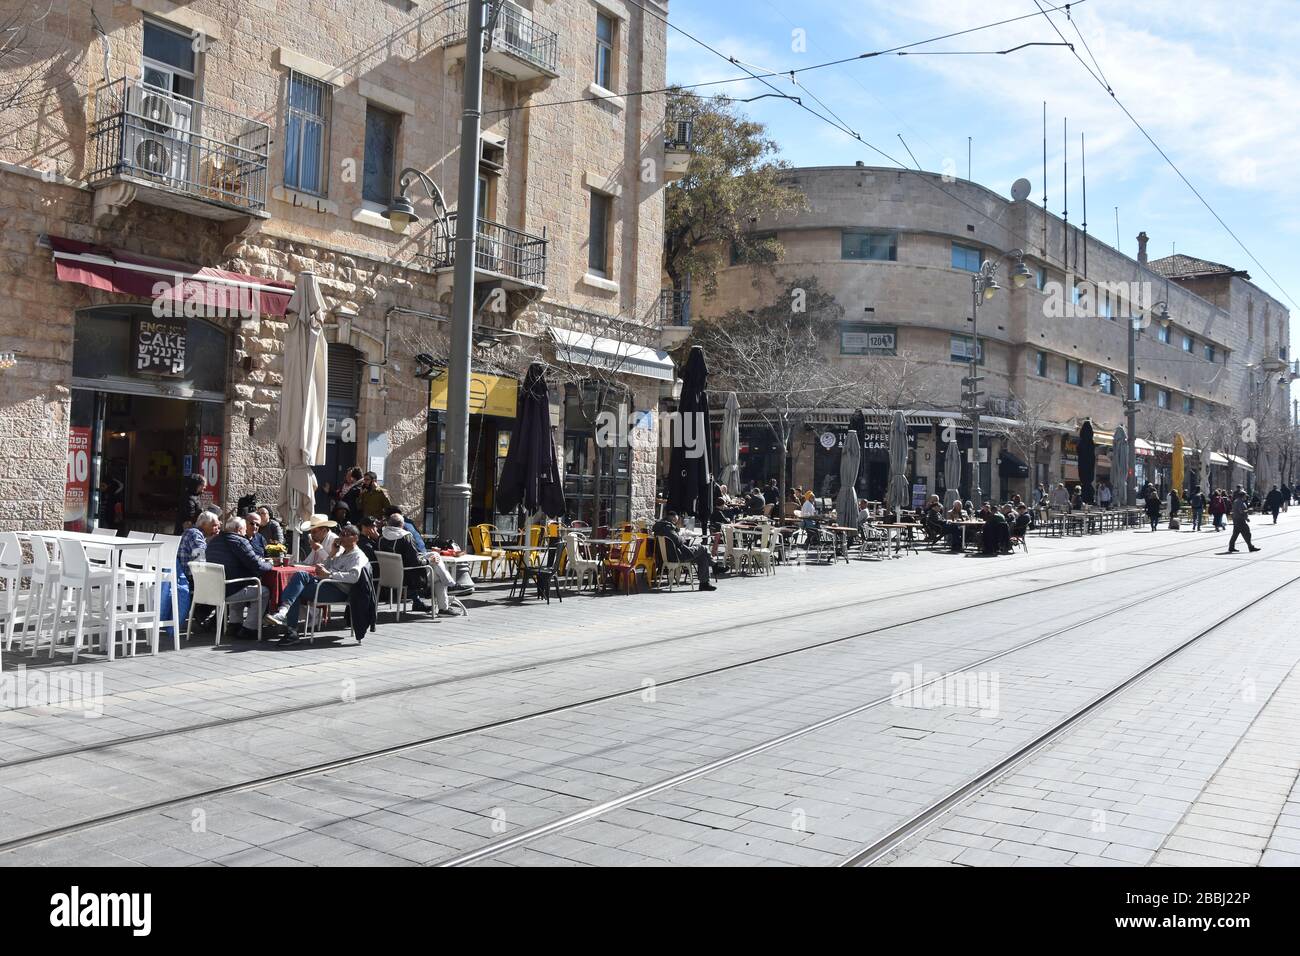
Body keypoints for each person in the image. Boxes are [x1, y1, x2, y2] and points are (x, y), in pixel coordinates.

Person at [265, 524, 370, 644]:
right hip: (327, 584)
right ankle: (285, 616)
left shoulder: (357, 556)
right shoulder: (342, 553)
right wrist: (332, 554)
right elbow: (327, 567)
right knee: (299, 578)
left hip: (340, 591)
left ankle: (289, 625)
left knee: (295, 590)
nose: (341, 537)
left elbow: (353, 577)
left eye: (345, 535)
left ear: (355, 538)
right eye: (341, 534)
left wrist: (329, 575)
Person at [203, 515, 272, 639]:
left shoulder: (213, 541)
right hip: (229, 590)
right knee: (264, 591)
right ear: (239, 529)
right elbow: (257, 565)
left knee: (239, 583)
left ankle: (234, 624)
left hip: (213, 589)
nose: (245, 532)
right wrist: (270, 565)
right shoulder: (240, 541)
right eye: (245, 529)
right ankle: (250, 628)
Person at [378, 512, 459, 615]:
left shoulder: (381, 537)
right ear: (402, 525)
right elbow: (415, 562)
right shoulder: (405, 537)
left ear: (389, 524)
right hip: (409, 577)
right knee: (438, 578)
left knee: (434, 554)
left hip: (389, 576)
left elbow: (406, 556)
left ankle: (448, 583)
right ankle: (444, 606)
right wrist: (429, 561)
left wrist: (426, 557)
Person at [652, 511, 716, 591]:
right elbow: (678, 541)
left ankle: (704, 583)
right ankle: (714, 566)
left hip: (670, 555)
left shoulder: (660, 527)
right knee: (703, 548)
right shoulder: (667, 528)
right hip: (677, 556)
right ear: (672, 518)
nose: (676, 522)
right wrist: (682, 537)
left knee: (702, 557)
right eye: (676, 520)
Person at [1228, 488, 1260, 553]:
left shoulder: (1238, 501)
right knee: (1247, 533)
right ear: (1242, 496)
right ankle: (1250, 547)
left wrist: (1246, 517)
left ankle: (1231, 547)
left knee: (1235, 534)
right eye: (1245, 495)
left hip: (1237, 520)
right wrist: (1248, 510)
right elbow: (1241, 511)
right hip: (1240, 520)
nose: (1246, 497)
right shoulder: (1239, 502)